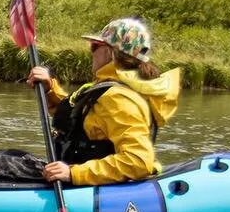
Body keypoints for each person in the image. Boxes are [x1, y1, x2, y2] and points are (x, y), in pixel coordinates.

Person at [27, 18, 181, 187]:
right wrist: (49, 89)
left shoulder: (119, 98)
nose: (91, 52)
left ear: (110, 52)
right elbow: (75, 119)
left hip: (87, 183)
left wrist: (73, 173)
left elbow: (138, 161)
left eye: (94, 46)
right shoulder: (106, 88)